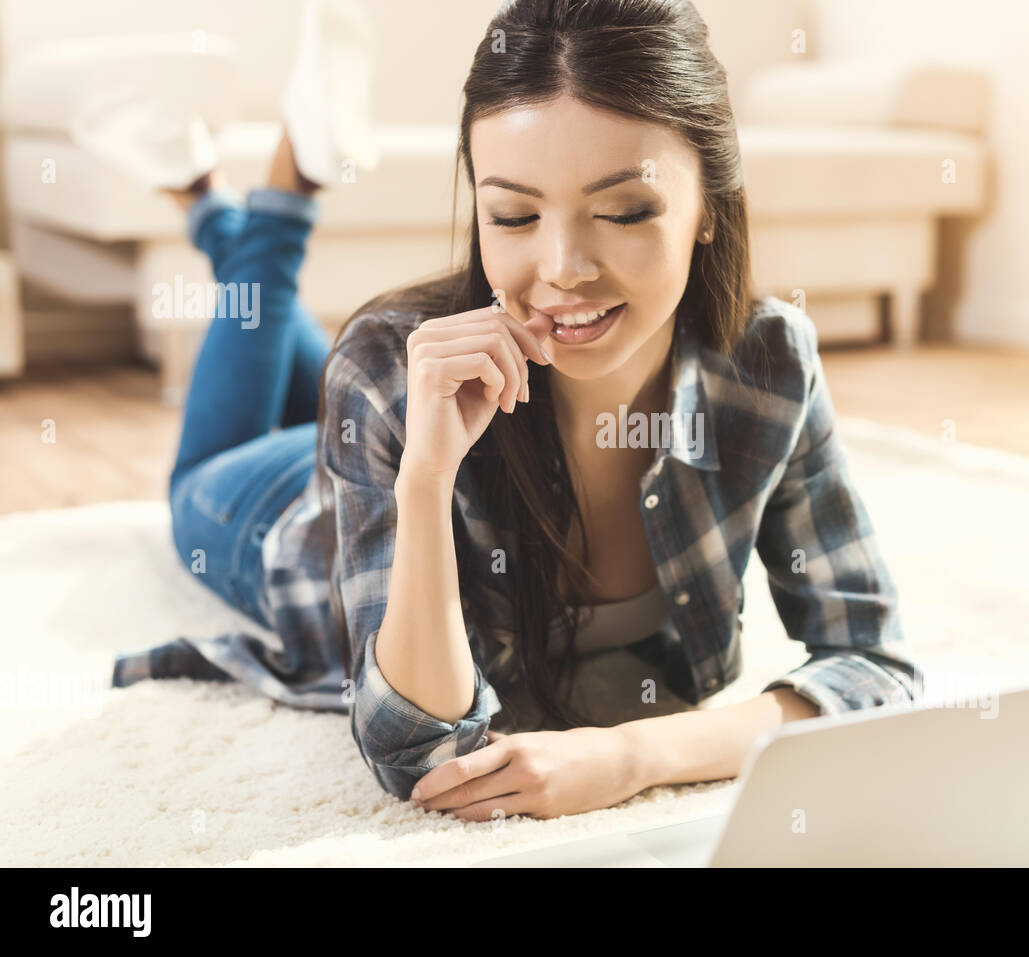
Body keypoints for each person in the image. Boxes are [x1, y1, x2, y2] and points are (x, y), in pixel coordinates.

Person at [107, 0, 919, 821]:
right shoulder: (391, 373)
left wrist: (634, 753)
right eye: (515, 216)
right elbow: (419, 756)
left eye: (625, 210)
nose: (563, 270)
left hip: (381, 412)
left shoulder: (768, 362)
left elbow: (875, 667)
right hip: (278, 513)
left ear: (709, 204)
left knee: (361, 374)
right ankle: (278, 187)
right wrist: (423, 478)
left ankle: (209, 201)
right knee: (196, 481)